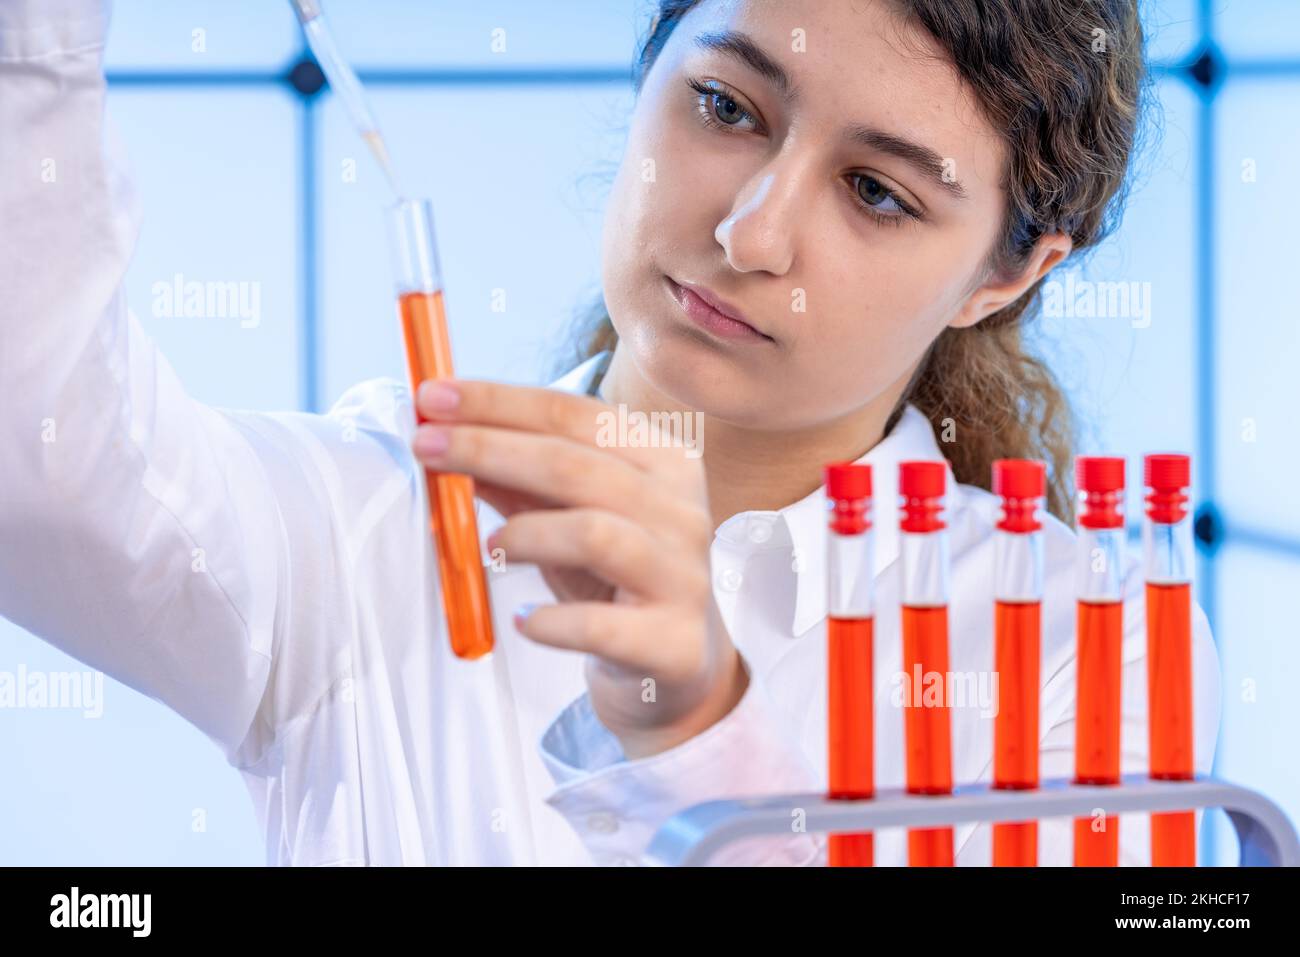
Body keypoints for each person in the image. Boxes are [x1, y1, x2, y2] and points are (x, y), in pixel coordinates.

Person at [0, 0, 1220, 866]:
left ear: (1003, 277)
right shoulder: (370, 516)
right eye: (724, 106)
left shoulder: (1084, 640)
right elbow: (36, 453)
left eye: (876, 192)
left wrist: (698, 736)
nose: (751, 232)